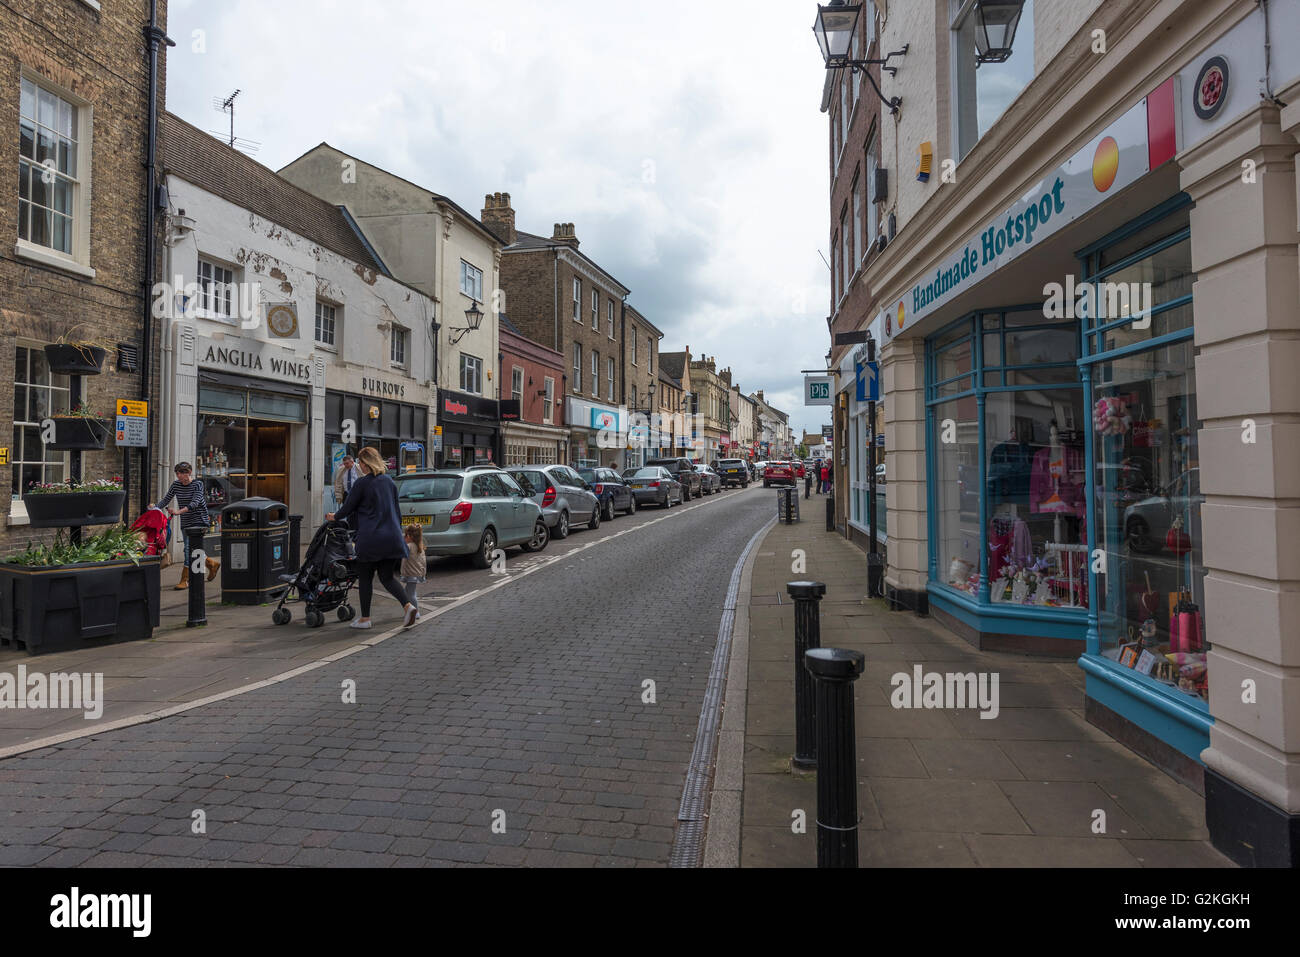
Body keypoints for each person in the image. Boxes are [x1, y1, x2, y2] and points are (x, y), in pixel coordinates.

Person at [327, 446, 418, 630]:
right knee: (387, 577)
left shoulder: (363, 483)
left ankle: (365, 619)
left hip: (371, 539)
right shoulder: (389, 482)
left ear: (365, 463)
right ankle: (408, 606)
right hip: (392, 538)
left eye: (360, 461)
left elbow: (348, 507)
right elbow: (397, 511)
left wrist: (333, 517)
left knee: (365, 577)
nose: (359, 464)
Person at [154, 462, 220, 590]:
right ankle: (212, 564)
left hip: (199, 520)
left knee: (188, 549)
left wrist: (178, 512)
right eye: (177, 473)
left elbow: (195, 503)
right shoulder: (176, 485)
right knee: (193, 549)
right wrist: (155, 508)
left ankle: (185, 579)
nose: (178, 475)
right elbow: (166, 499)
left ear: (189, 473)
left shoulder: (198, 484)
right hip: (186, 521)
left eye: (181, 473)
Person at [400, 524, 427, 612]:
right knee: (410, 592)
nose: (404, 538)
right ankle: (412, 610)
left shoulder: (409, 546)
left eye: (405, 535)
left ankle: (416, 612)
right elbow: (423, 562)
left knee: (410, 594)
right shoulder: (419, 546)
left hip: (411, 574)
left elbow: (401, 552)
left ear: (409, 536)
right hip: (417, 574)